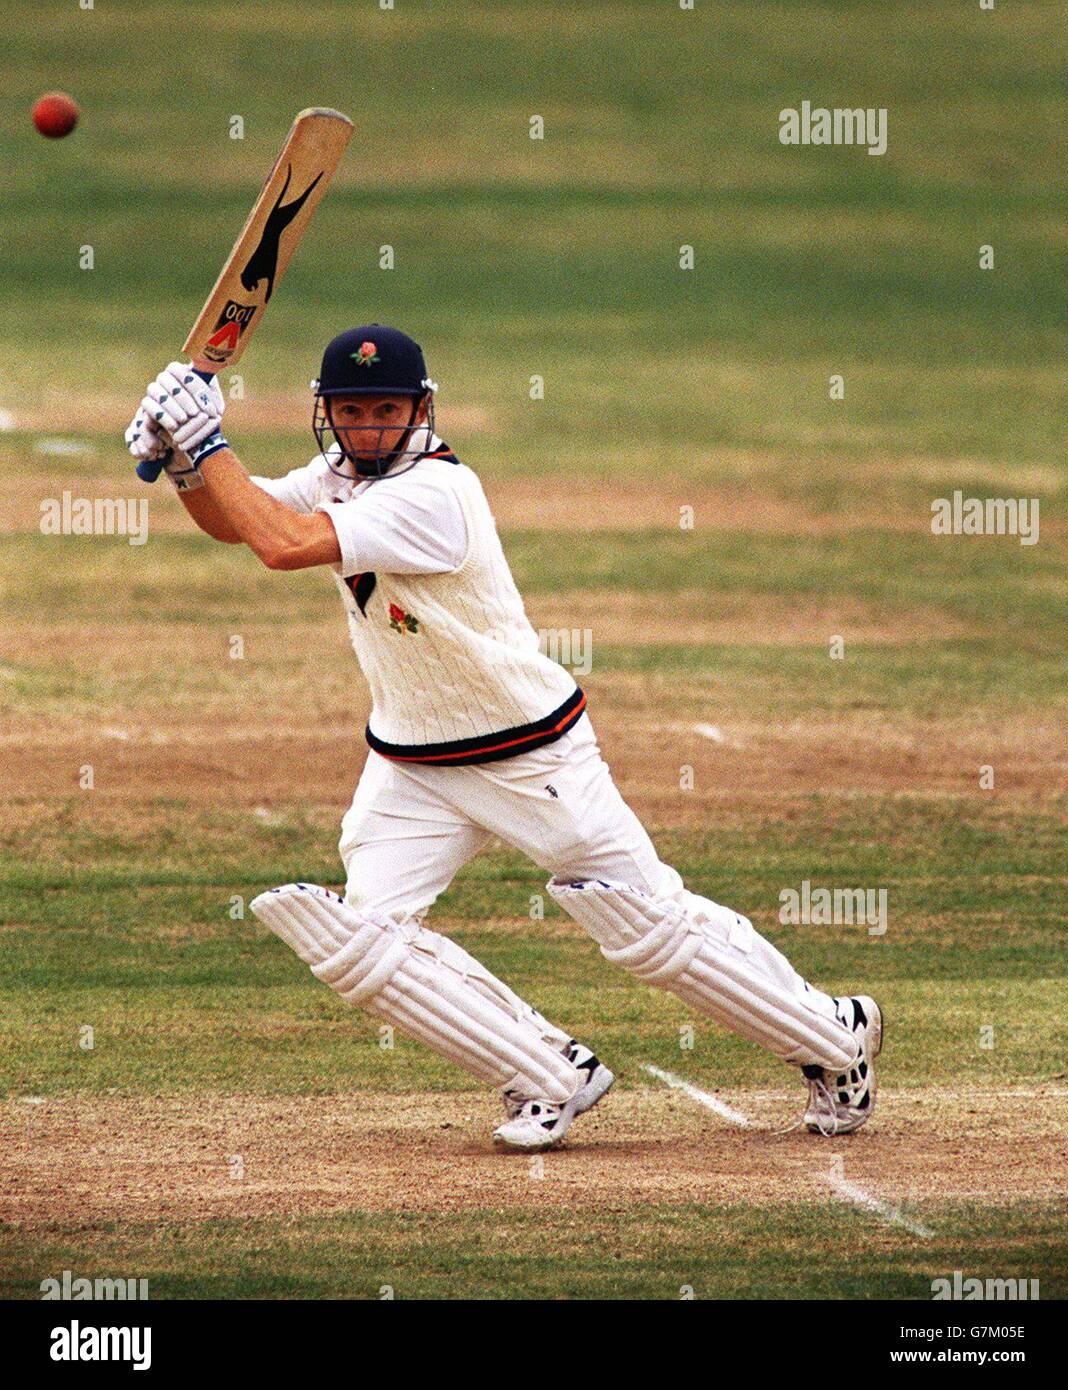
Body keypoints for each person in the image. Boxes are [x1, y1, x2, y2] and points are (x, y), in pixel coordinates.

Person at [125, 324, 882, 1150]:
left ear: (420, 410)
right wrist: (185, 467)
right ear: (327, 415)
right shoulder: (336, 474)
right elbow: (241, 520)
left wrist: (207, 437)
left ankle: (836, 1038)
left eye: (386, 409)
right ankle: (547, 1075)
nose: (369, 426)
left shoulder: (436, 494)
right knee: (364, 949)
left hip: (530, 753)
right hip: (413, 762)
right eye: (352, 410)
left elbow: (282, 544)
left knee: (646, 928)